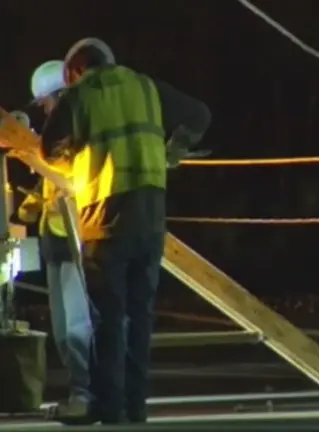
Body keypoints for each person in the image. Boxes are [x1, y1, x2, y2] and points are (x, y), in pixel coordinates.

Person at [40, 37, 211, 424]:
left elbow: (50, 148)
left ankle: (108, 406)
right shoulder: (146, 86)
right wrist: (173, 152)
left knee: (108, 316)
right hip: (151, 216)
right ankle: (136, 406)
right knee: (140, 314)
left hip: (106, 216)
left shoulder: (82, 94)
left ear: (73, 72)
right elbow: (200, 115)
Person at [16, 59, 94, 420]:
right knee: (65, 329)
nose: (44, 110)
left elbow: (73, 182)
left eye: (46, 102)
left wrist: (37, 163)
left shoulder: (80, 131)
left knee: (78, 328)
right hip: (56, 245)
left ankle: (87, 395)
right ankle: (80, 394)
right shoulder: (57, 136)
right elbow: (52, 183)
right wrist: (33, 200)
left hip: (77, 245)